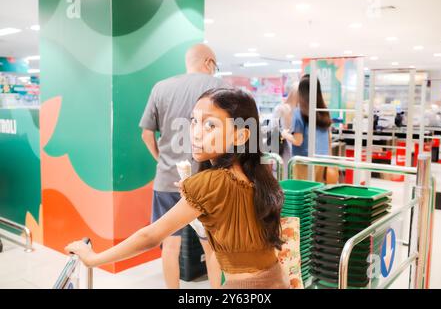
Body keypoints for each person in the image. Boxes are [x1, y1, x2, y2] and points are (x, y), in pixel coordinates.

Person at [65, 88, 289, 289]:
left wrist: (92, 258)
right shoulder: (258, 176)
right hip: (277, 279)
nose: (197, 133)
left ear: (241, 135)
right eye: (194, 121)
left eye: (210, 125)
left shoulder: (210, 183)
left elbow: (149, 236)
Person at [138, 44, 227, 289]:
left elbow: (146, 135)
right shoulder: (222, 89)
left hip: (167, 179)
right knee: (212, 246)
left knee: (170, 245)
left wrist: (162, 160)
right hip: (207, 182)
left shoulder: (161, 88)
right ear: (209, 62)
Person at [281, 74, 337, 183]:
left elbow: (298, 141)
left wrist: (285, 134)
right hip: (322, 161)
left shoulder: (299, 113)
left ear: (301, 93)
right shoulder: (324, 112)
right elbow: (329, 138)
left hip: (303, 162)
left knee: (304, 195)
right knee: (318, 193)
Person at [270, 82, 299, 179]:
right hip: (283, 150)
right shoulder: (281, 109)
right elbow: (272, 130)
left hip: (290, 150)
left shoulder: (298, 110)